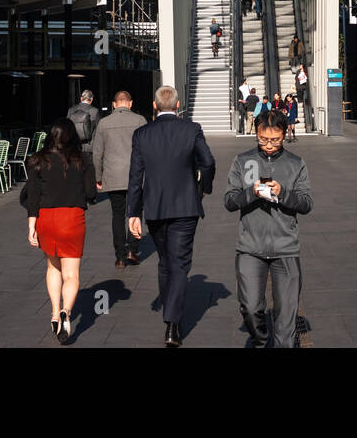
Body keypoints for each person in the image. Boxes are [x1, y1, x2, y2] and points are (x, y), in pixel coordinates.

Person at [127, 85, 217, 347]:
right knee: (178, 263)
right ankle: (172, 324)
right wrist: (204, 188)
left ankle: (170, 310)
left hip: (154, 207)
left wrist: (134, 212)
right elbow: (208, 162)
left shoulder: (141, 134)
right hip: (186, 205)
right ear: (178, 106)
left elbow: (135, 176)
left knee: (166, 261)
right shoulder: (191, 129)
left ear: (154, 106)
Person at [224, 111, 313, 348]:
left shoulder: (296, 164)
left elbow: (306, 204)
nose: (269, 145)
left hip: (285, 248)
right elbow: (229, 201)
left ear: (285, 134)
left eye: (275, 140)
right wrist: (250, 193)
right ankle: (261, 340)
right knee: (250, 307)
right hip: (250, 248)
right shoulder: (242, 161)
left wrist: (282, 193)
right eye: (263, 139)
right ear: (256, 133)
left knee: (286, 318)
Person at [21, 118, 97, 343]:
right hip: (72, 218)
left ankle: (55, 313)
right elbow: (91, 193)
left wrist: (31, 227)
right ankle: (67, 312)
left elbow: (32, 197)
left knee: (53, 267)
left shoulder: (37, 161)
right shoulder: (82, 160)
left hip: (47, 219)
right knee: (71, 274)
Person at [92, 90, 147, 268]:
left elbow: (97, 153)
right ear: (130, 103)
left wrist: (98, 176)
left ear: (114, 104)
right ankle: (133, 249)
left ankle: (120, 256)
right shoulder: (140, 121)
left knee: (117, 215)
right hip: (136, 176)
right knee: (135, 213)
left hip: (113, 175)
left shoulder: (104, 123)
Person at [66, 90, 98, 158]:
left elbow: (67, 128)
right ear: (91, 99)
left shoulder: (71, 110)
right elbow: (99, 130)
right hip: (89, 148)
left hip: (74, 147)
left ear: (81, 98)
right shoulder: (94, 111)